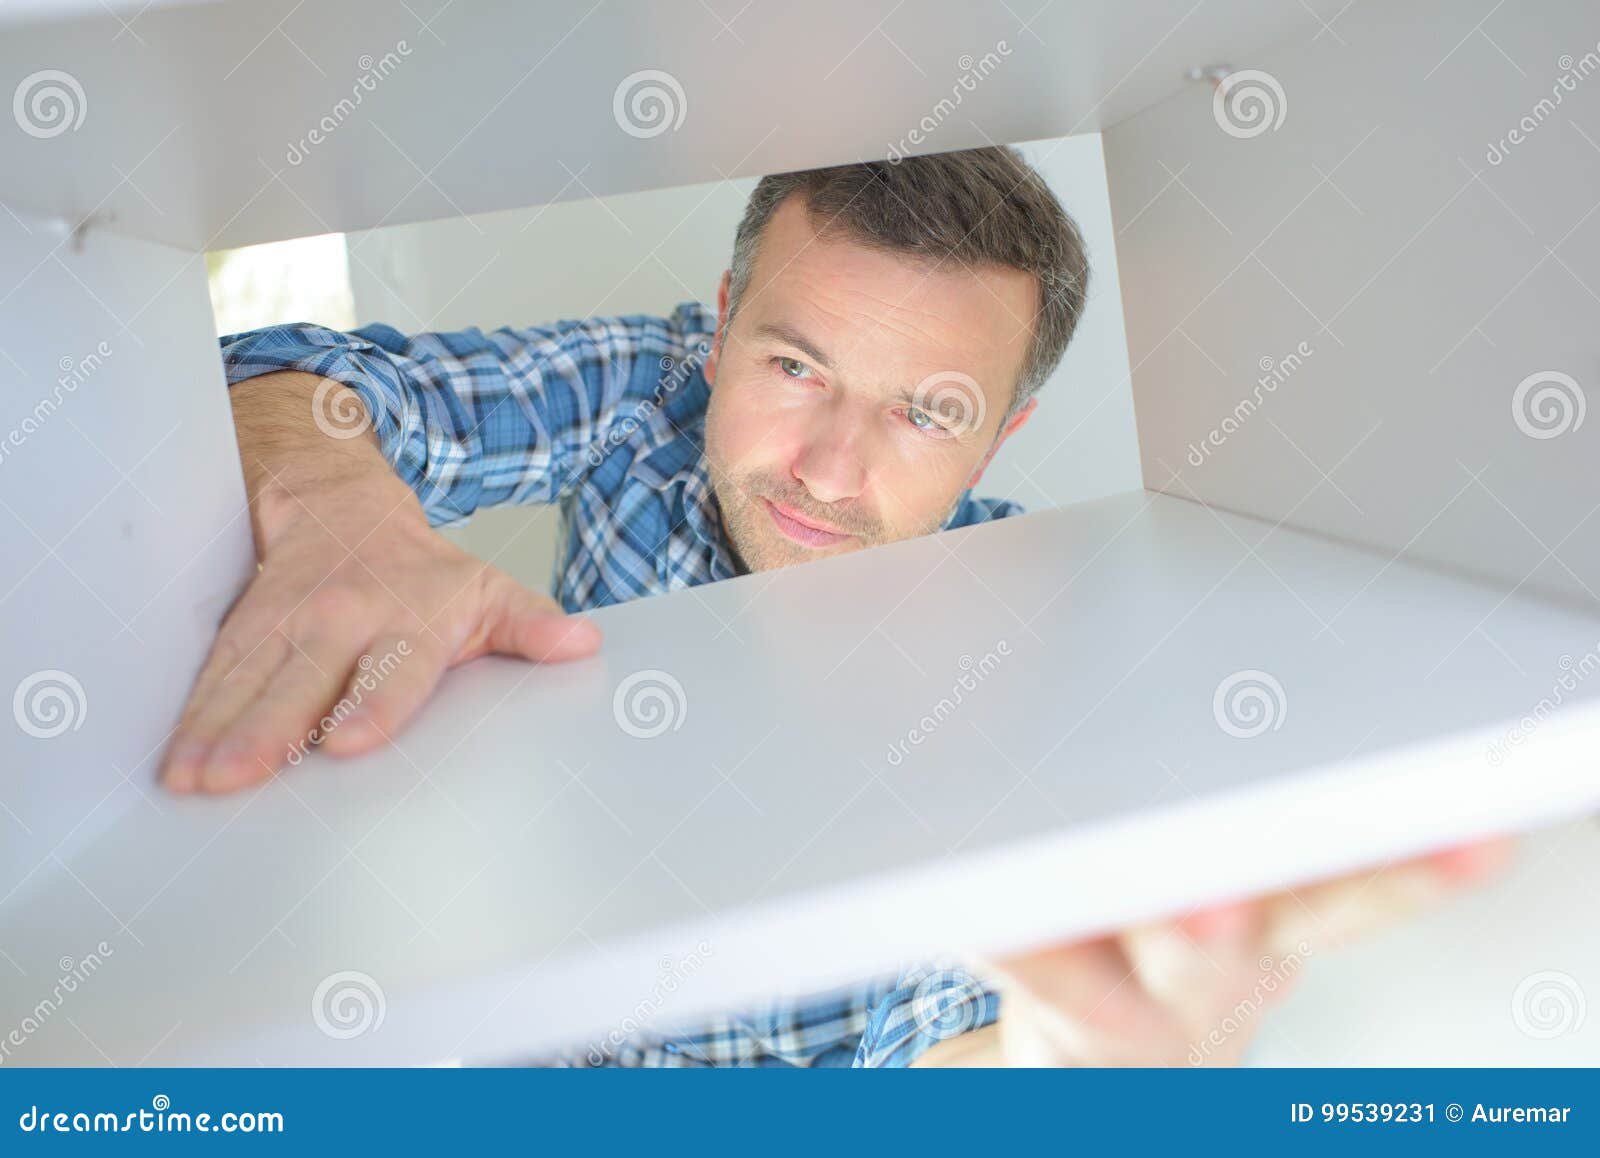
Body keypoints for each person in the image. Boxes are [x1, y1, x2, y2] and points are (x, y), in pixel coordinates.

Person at [160, 146, 1507, 1066]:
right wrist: (337, 499)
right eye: (798, 365)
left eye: (928, 410)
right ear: (729, 316)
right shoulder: (659, 402)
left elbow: (953, 1058)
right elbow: (290, 366)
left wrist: (1080, 1060)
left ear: (1001, 435)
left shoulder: (1055, 638)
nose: (828, 468)